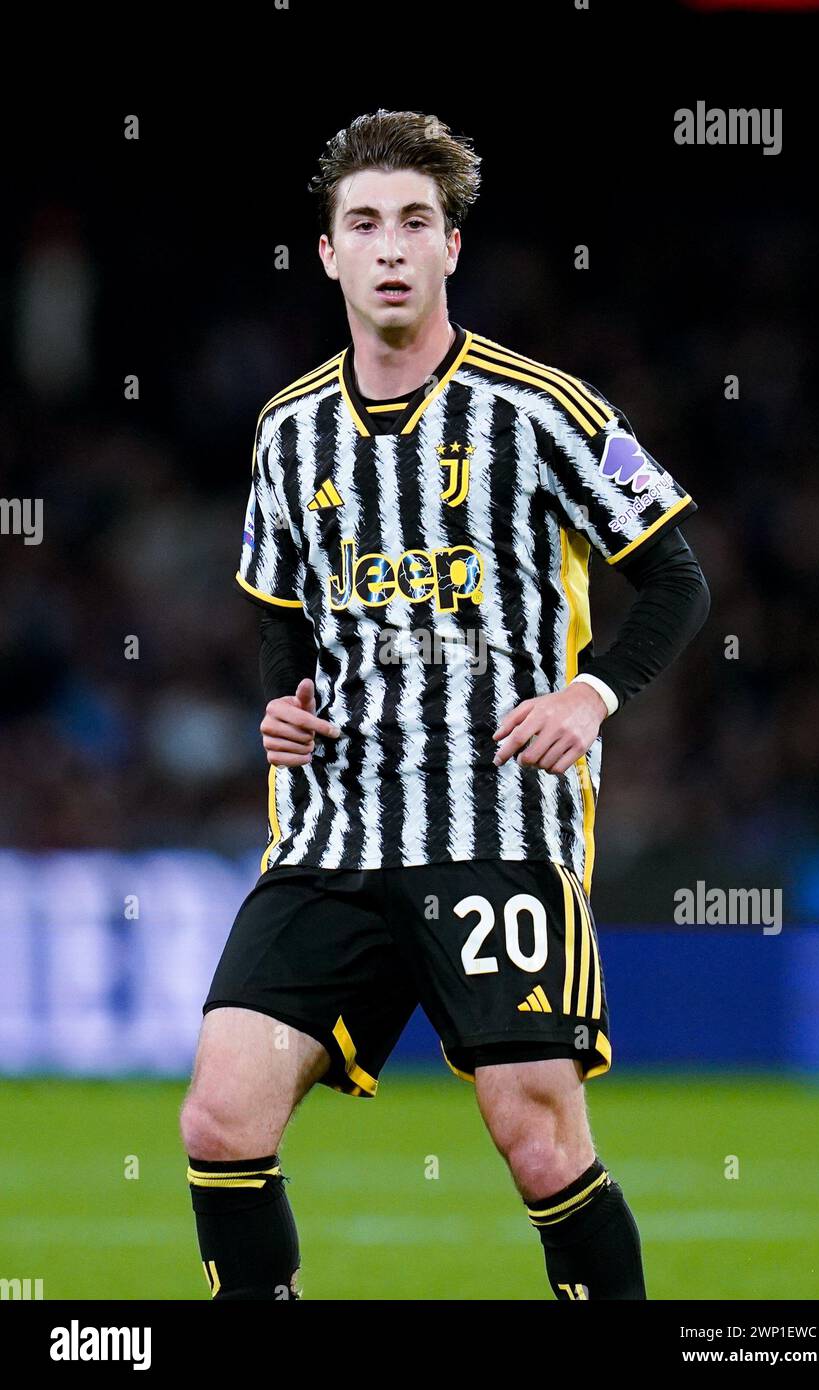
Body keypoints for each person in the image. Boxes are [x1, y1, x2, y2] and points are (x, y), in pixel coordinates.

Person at [180, 108, 710, 1301]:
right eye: (362, 223)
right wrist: (283, 702)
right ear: (326, 252)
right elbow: (279, 607)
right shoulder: (287, 427)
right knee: (219, 1117)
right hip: (334, 829)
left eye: (414, 222)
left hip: (502, 830)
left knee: (536, 1141)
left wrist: (592, 690)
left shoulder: (553, 410)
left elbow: (679, 575)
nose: (388, 248)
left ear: (451, 249)